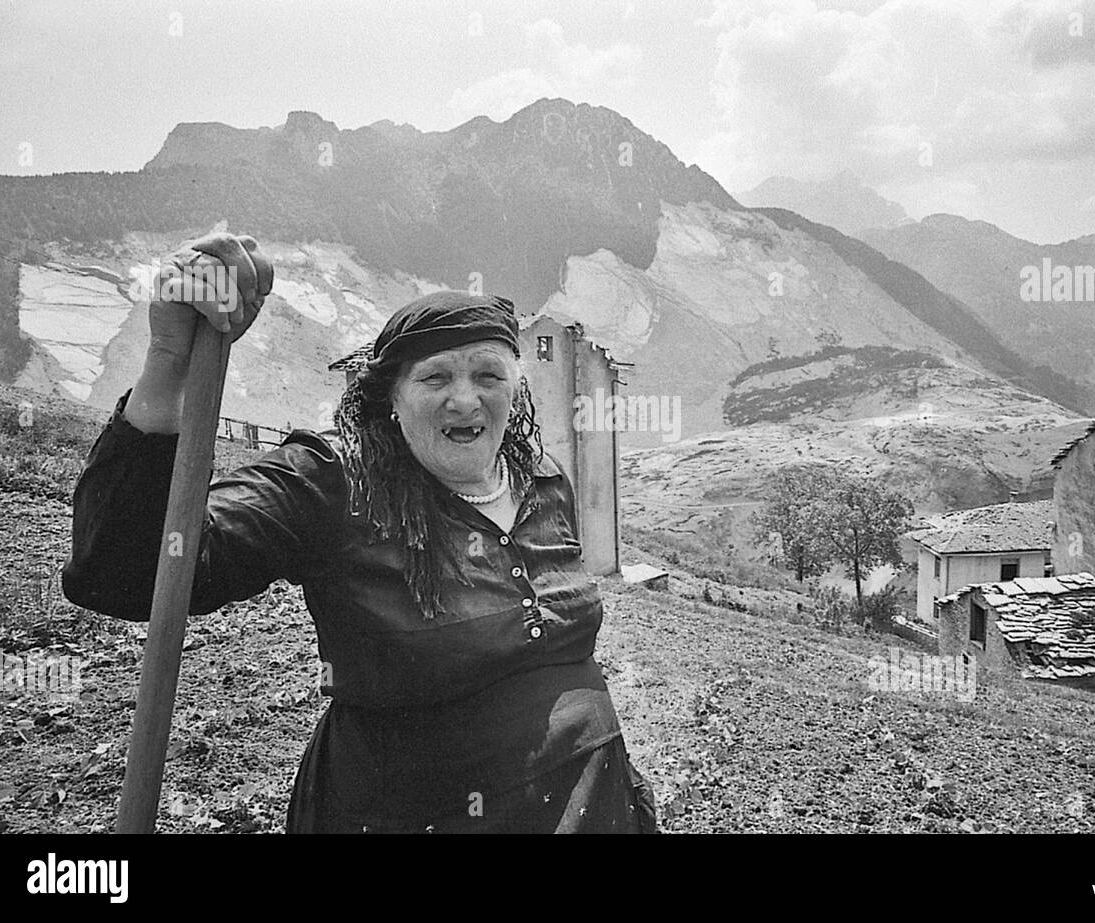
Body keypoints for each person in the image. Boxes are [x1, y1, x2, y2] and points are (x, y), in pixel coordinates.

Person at [63, 232, 657, 833]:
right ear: (390, 397)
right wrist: (170, 364)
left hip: (590, 797)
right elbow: (126, 572)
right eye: (434, 378)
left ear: (515, 389)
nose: (464, 399)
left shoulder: (544, 478)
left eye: (489, 375)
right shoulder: (332, 484)